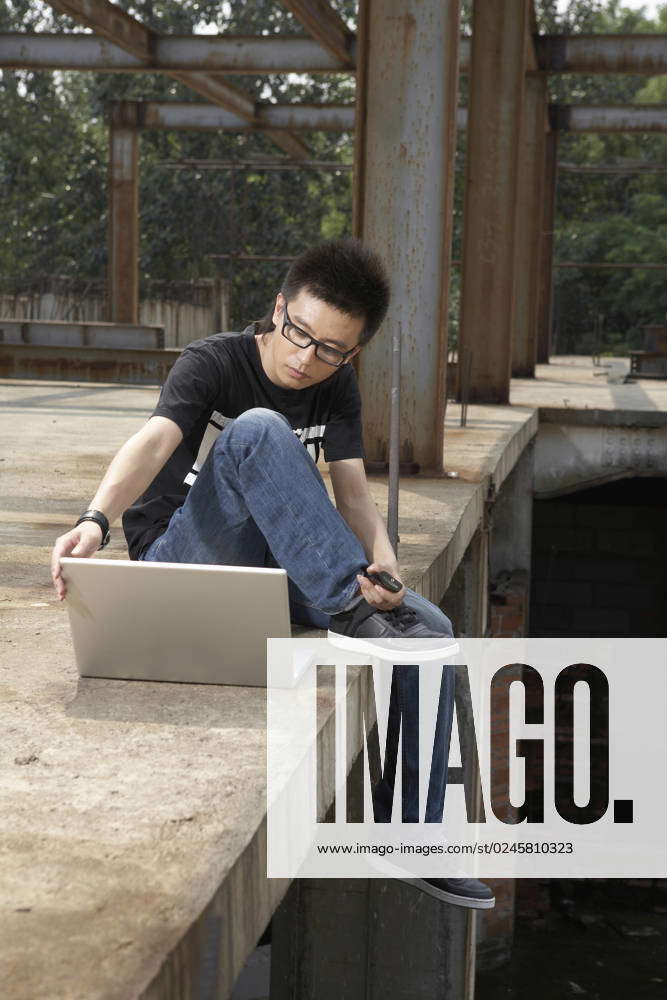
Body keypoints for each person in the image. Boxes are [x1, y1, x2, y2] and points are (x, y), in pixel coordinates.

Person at [50, 238, 493, 909]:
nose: (304, 358)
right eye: (297, 334)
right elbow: (154, 442)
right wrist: (95, 519)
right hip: (183, 561)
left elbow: (351, 494)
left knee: (428, 626)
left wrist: (383, 559)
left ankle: (412, 830)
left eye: (329, 351)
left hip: (274, 567)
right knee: (258, 429)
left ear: (352, 352)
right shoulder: (214, 363)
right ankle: (350, 608)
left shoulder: (335, 386)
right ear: (278, 308)